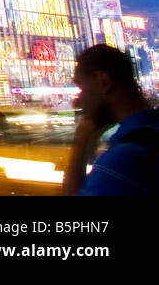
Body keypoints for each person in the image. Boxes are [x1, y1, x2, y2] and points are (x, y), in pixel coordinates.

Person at [63, 44, 159, 195]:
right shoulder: (153, 129)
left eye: (81, 89)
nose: (78, 102)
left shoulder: (122, 161)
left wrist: (81, 140)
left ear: (103, 82)